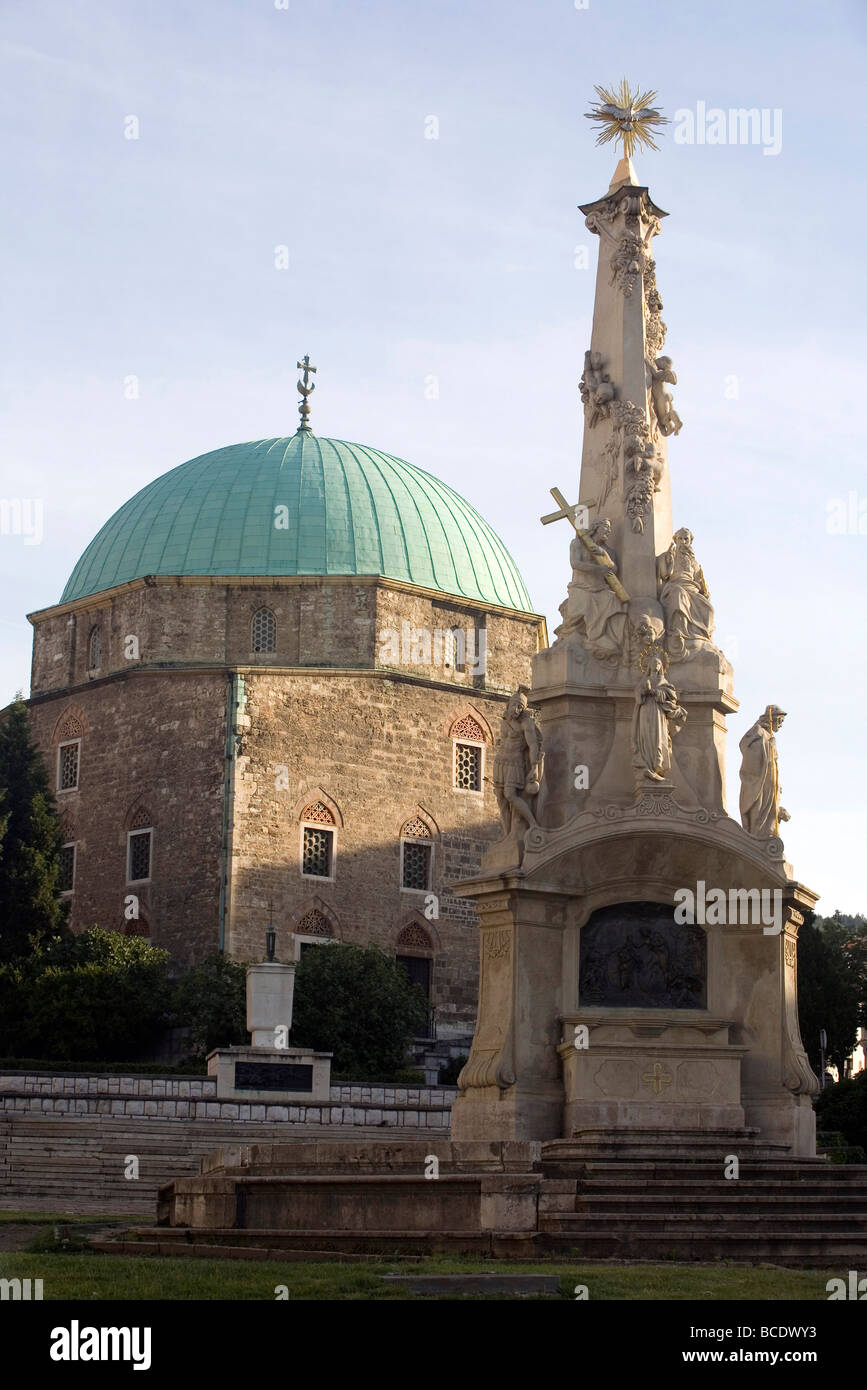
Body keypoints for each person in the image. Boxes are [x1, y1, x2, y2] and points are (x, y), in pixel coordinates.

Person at [493, 689, 543, 839]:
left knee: (510, 795)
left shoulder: (525, 724)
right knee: (500, 798)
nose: (517, 710)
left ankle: (533, 823)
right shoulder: (504, 721)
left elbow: (533, 745)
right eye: (515, 705)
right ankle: (507, 836)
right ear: (508, 705)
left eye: (520, 707)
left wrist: (534, 767)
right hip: (500, 760)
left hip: (515, 762)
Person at [631, 655, 687, 781]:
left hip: (658, 713)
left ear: (661, 667)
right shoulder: (644, 681)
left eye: (658, 664)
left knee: (658, 738)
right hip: (645, 711)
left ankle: (657, 766)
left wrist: (657, 692)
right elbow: (638, 697)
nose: (656, 665)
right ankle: (647, 766)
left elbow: (671, 696)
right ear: (649, 666)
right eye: (654, 663)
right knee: (646, 738)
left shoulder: (664, 683)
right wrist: (644, 691)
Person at [739, 706, 790, 837]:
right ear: (773, 718)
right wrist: (767, 746)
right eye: (780, 720)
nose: (781, 724)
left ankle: (767, 835)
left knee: (770, 812)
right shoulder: (758, 731)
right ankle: (759, 836)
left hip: (770, 782)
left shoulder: (769, 735)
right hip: (760, 782)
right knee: (759, 810)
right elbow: (745, 747)